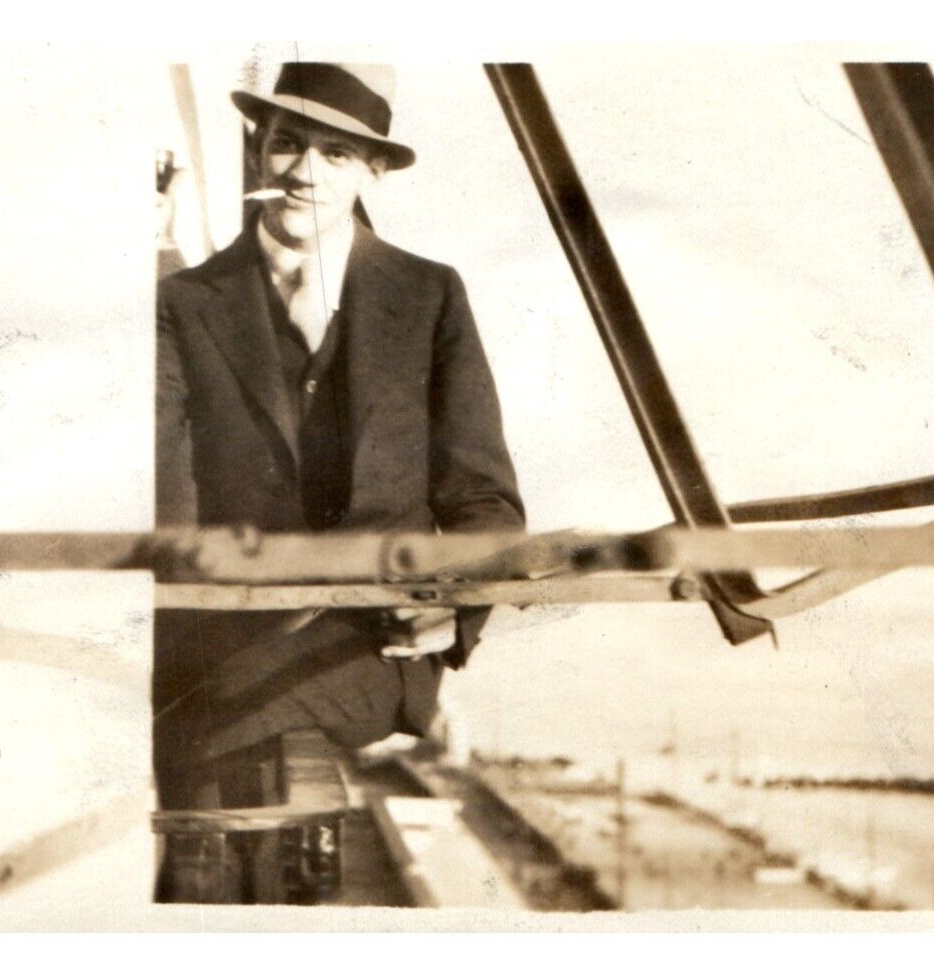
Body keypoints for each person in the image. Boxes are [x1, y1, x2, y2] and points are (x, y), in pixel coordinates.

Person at [153, 61, 524, 900]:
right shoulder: (183, 303)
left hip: (371, 641)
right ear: (259, 153)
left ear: (373, 171)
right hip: (231, 634)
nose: (303, 172)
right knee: (222, 717)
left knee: (215, 726)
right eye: (287, 145)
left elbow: (483, 498)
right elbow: (165, 495)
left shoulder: (429, 295)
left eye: (334, 154)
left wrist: (454, 606)